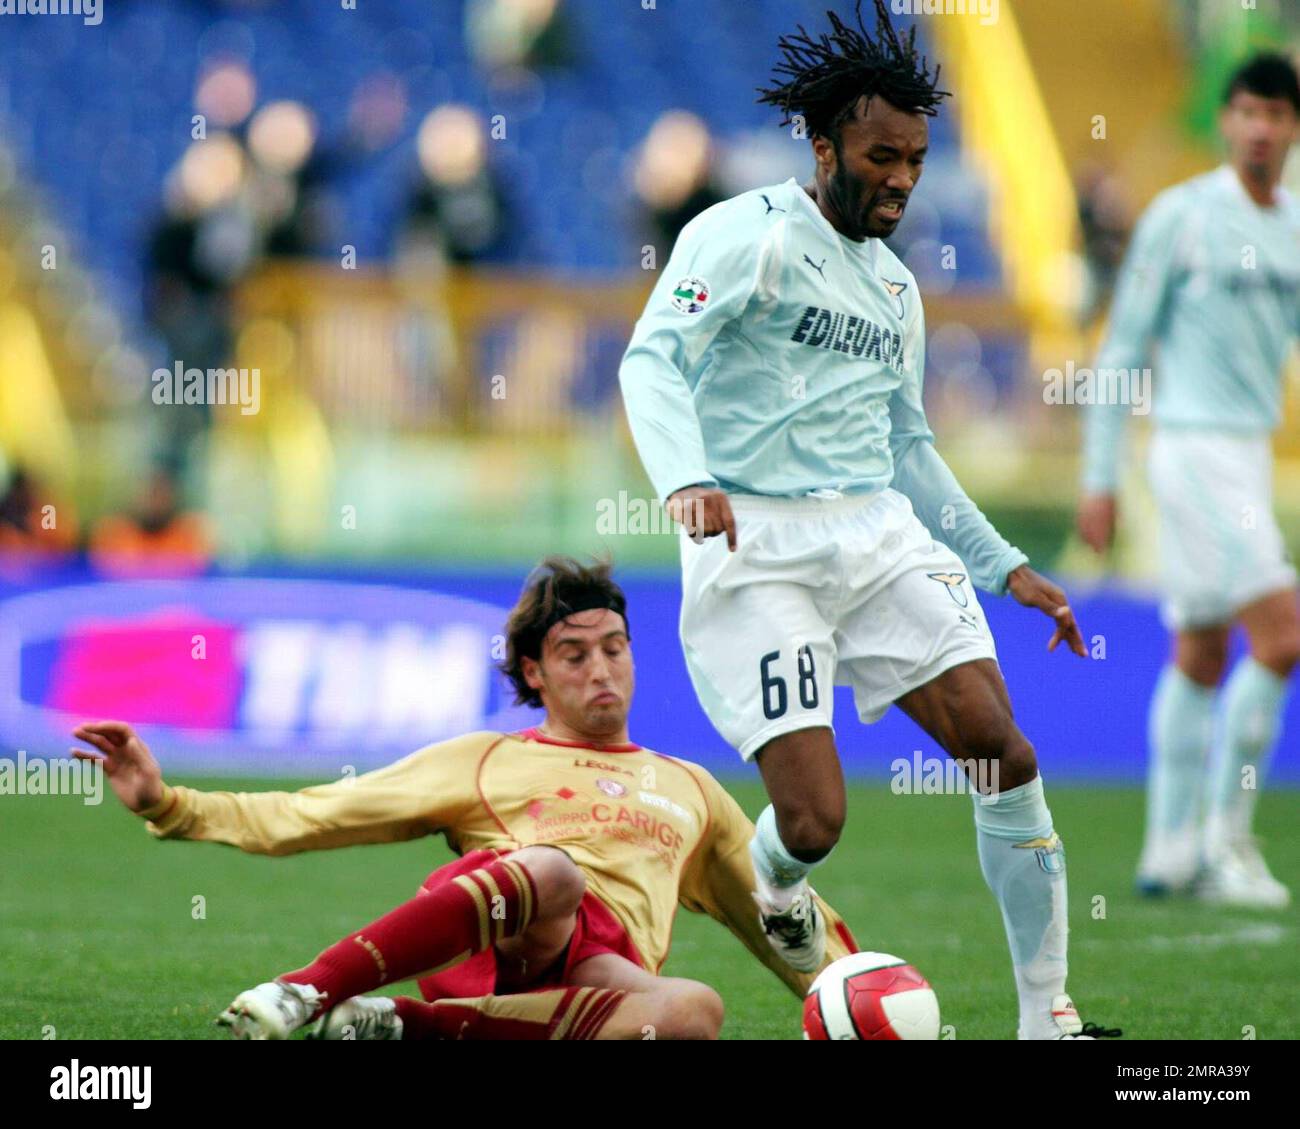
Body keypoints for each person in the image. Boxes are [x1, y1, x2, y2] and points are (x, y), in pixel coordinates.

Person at [618, 0, 1108, 1041]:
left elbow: (909, 448)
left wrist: (1004, 565)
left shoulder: (894, 286)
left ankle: (1046, 1017)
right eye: (880, 156)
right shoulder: (741, 235)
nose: (899, 179)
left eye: (917, 162)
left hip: (878, 537)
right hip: (754, 546)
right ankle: (771, 882)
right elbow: (649, 358)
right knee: (814, 821)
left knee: (998, 749)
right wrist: (683, 478)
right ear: (825, 141)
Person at [73, 557, 857, 1040]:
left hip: (592, 984)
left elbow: (783, 916)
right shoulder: (484, 760)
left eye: (614, 648)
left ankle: (399, 1029)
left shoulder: (692, 788)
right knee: (554, 873)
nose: (601, 670)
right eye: (573, 654)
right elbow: (314, 813)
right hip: (506, 938)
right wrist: (166, 803)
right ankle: (308, 988)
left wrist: (858, 992)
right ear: (533, 673)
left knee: (694, 1013)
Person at [1077, 53, 1300, 909]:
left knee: (1203, 651)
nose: (1258, 128)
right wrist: (1099, 475)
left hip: (1246, 451)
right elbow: (1122, 343)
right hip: (1190, 446)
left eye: (1275, 114)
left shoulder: (1289, 227)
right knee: (1282, 636)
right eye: (1246, 110)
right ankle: (1227, 842)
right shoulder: (1183, 216)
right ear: (1226, 121)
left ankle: (1169, 846)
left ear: (1291, 129)